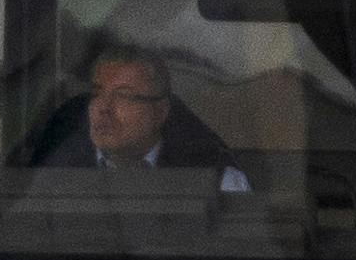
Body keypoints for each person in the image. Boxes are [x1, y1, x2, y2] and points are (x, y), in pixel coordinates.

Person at [62, 35, 248, 190]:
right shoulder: (57, 170)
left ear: (160, 111)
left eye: (123, 96)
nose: (104, 108)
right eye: (96, 94)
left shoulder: (216, 180)